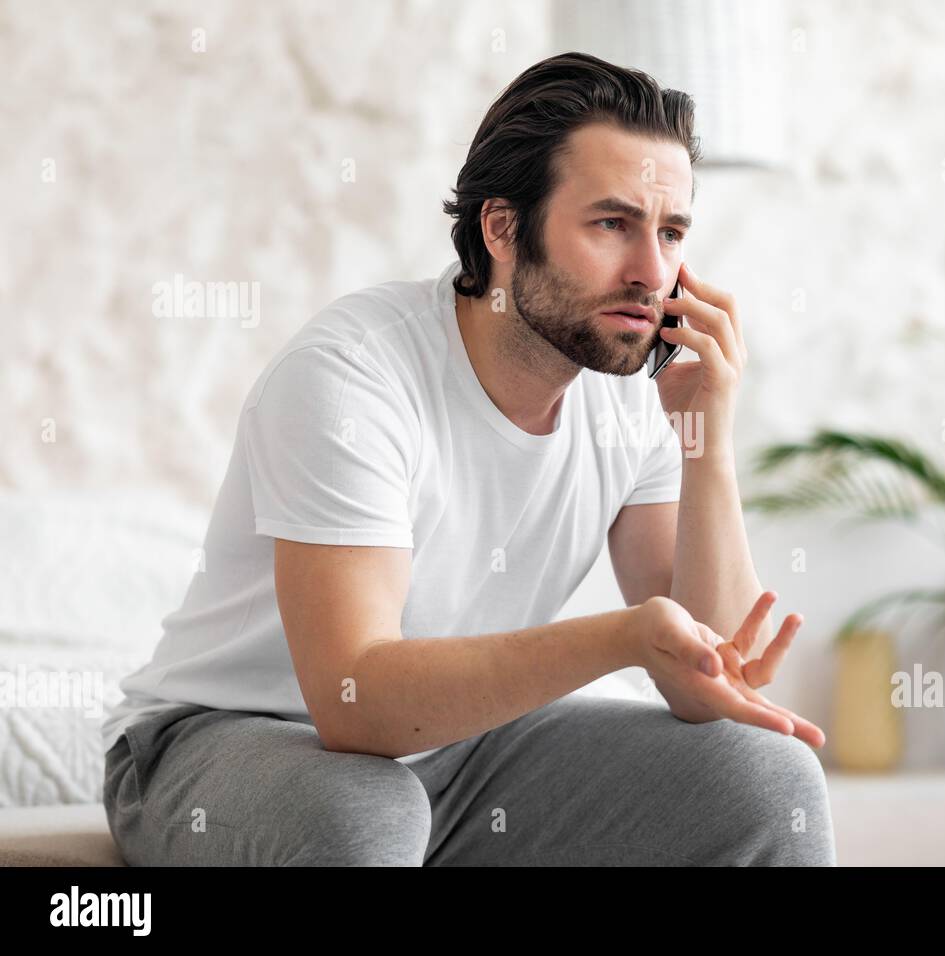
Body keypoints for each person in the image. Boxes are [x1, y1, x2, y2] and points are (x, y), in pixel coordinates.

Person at [102, 51, 835, 866]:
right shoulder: (353, 375)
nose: (653, 273)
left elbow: (718, 685)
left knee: (771, 780)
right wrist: (622, 638)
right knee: (362, 813)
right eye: (611, 224)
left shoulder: (631, 391)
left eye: (670, 233)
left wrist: (707, 438)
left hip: (456, 750)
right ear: (502, 228)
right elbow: (353, 701)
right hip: (224, 739)